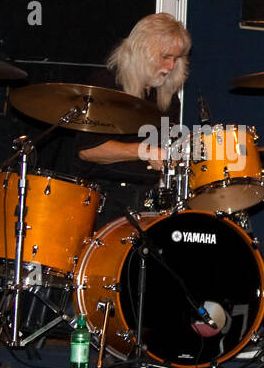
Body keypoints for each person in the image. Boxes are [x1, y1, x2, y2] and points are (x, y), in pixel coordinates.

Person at [73, 12, 190, 225]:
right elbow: (88, 150)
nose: (171, 66)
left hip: (148, 201)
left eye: (177, 59)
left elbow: (165, 151)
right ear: (142, 52)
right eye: (166, 57)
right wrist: (144, 152)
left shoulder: (168, 101)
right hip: (103, 201)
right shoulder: (107, 86)